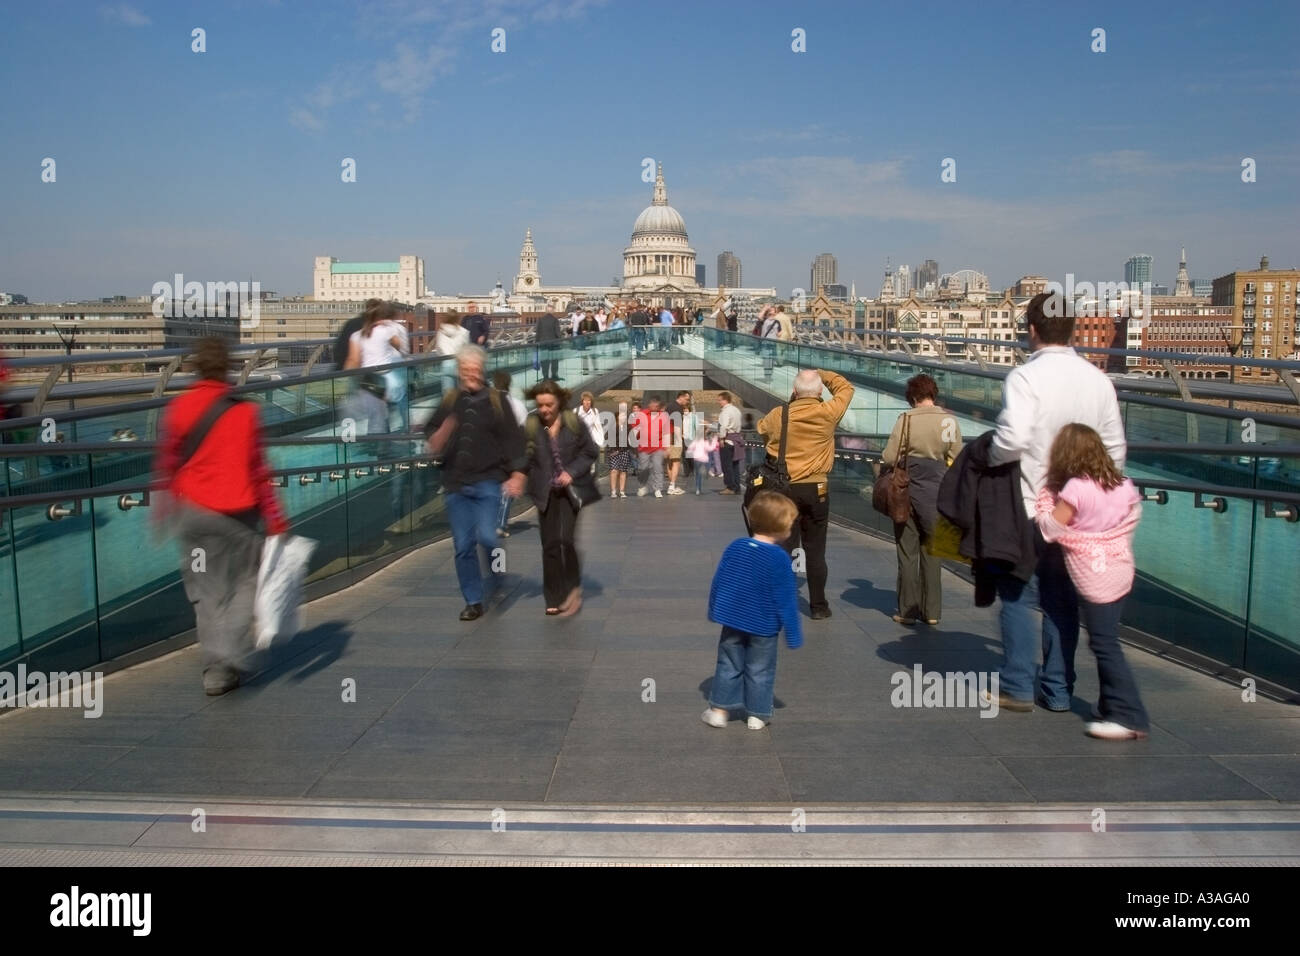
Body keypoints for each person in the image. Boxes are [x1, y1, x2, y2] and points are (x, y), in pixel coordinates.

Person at [985, 290, 1127, 713]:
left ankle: (1017, 686)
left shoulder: (1025, 377)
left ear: (1031, 330)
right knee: (1060, 600)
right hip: (1078, 517)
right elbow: (1115, 450)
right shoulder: (1098, 380)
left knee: (1015, 596)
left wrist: (992, 459)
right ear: (1073, 329)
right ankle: (1059, 689)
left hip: (1029, 506)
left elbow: (1012, 439)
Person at [155, 337, 288, 695]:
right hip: (238, 516)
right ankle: (230, 649)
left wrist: (162, 511)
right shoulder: (245, 412)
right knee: (247, 582)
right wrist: (276, 520)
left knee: (206, 592)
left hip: (193, 516)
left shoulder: (179, 408)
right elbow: (259, 470)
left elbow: (167, 462)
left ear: (195, 367)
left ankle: (216, 671)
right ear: (228, 367)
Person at [1036, 424, 1148, 740]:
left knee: (1104, 644)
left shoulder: (1075, 489)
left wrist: (1045, 502)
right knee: (1107, 638)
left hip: (1092, 576)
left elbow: (1050, 529)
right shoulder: (1123, 484)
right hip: (1121, 570)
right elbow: (1133, 516)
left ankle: (1130, 715)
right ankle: (1109, 705)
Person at [424, 345, 527, 621]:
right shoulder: (450, 400)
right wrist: (438, 436)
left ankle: (496, 575)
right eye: (466, 369)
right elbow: (431, 429)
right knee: (462, 546)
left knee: (488, 537)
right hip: (456, 484)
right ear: (459, 372)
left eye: (475, 369)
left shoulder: (497, 400)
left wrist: (518, 474)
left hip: (488, 481)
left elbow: (514, 439)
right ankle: (473, 599)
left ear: (482, 371)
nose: (471, 374)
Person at [755, 368, 855, 620]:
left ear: (794, 391)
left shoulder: (780, 414)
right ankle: (819, 606)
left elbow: (761, 429)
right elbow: (846, 388)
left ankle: (782, 605)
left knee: (785, 549)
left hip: (784, 489)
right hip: (817, 489)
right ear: (820, 391)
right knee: (816, 550)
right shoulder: (828, 412)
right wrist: (821, 373)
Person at [702, 490, 803, 730]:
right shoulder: (779, 558)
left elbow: (719, 580)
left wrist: (714, 608)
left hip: (732, 620)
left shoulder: (736, 547)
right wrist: (793, 632)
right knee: (760, 669)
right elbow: (786, 599)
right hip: (764, 626)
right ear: (779, 527)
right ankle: (757, 714)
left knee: (727, 664)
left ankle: (718, 711)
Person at [882, 374, 962, 626]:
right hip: (938, 490)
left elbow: (889, 456)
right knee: (932, 550)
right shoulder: (949, 420)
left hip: (906, 491)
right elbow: (957, 456)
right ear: (933, 394)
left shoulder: (905, 420)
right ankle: (932, 612)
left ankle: (908, 610)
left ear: (913, 397)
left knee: (908, 551)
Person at [522, 380, 600, 617]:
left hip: (569, 492)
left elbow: (591, 451)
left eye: (549, 404)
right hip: (544, 491)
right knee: (549, 545)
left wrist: (571, 472)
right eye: (540, 405)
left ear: (560, 401)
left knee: (565, 540)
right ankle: (553, 596)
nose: (544, 410)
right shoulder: (532, 424)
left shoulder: (573, 422)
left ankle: (571, 587)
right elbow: (520, 454)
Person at [344, 301, 409, 454]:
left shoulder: (356, 336)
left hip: (367, 381)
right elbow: (400, 346)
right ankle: (383, 450)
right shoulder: (386, 331)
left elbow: (353, 360)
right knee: (383, 414)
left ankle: (375, 447)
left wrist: (346, 377)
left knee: (376, 414)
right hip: (385, 380)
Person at [492, 370, 528, 538]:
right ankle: (500, 523)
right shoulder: (518, 404)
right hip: (513, 453)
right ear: (509, 384)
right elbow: (524, 430)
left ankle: (492, 523)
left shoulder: (486, 403)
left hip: (491, 451)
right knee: (509, 489)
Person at [633, 396, 669, 498]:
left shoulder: (663, 416)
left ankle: (657, 489)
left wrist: (667, 447)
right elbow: (635, 429)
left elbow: (666, 432)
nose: (654, 407)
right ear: (649, 405)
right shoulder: (642, 414)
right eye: (652, 405)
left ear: (658, 406)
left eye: (656, 405)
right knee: (643, 468)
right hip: (644, 447)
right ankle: (642, 487)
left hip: (658, 447)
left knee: (658, 468)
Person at [333, 298, 382, 367]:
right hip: (368, 369)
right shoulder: (380, 327)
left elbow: (339, 351)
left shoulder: (351, 323)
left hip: (345, 367)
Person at [716, 391, 744, 494]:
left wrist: (722, 438)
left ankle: (730, 487)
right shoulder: (736, 410)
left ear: (725, 400)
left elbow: (724, 426)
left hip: (728, 440)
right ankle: (736, 486)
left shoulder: (726, 412)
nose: (718, 402)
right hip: (736, 439)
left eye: (719, 400)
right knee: (735, 465)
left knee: (726, 465)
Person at [607, 401, 636, 498]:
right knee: (614, 470)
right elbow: (609, 439)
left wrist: (634, 451)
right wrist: (612, 450)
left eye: (624, 416)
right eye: (621, 416)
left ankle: (622, 491)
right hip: (613, 452)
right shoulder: (612, 427)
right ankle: (613, 491)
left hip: (624, 451)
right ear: (617, 417)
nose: (623, 418)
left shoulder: (628, 427)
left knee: (623, 471)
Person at [687, 425, 720, 494]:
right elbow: (710, 449)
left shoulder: (695, 441)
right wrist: (714, 440)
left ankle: (697, 489)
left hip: (696, 459)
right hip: (704, 460)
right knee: (704, 472)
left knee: (697, 475)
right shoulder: (705, 441)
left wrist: (692, 453)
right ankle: (706, 472)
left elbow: (689, 448)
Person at [534, 312, 562, 380]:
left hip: (543, 343)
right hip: (554, 343)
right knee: (554, 360)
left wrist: (536, 342)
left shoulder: (540, 319)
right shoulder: (555, 320)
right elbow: (557, 332)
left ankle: (545, 376)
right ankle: (554, 375)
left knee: (545, 360)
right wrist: (560, 341)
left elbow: (537, 332)